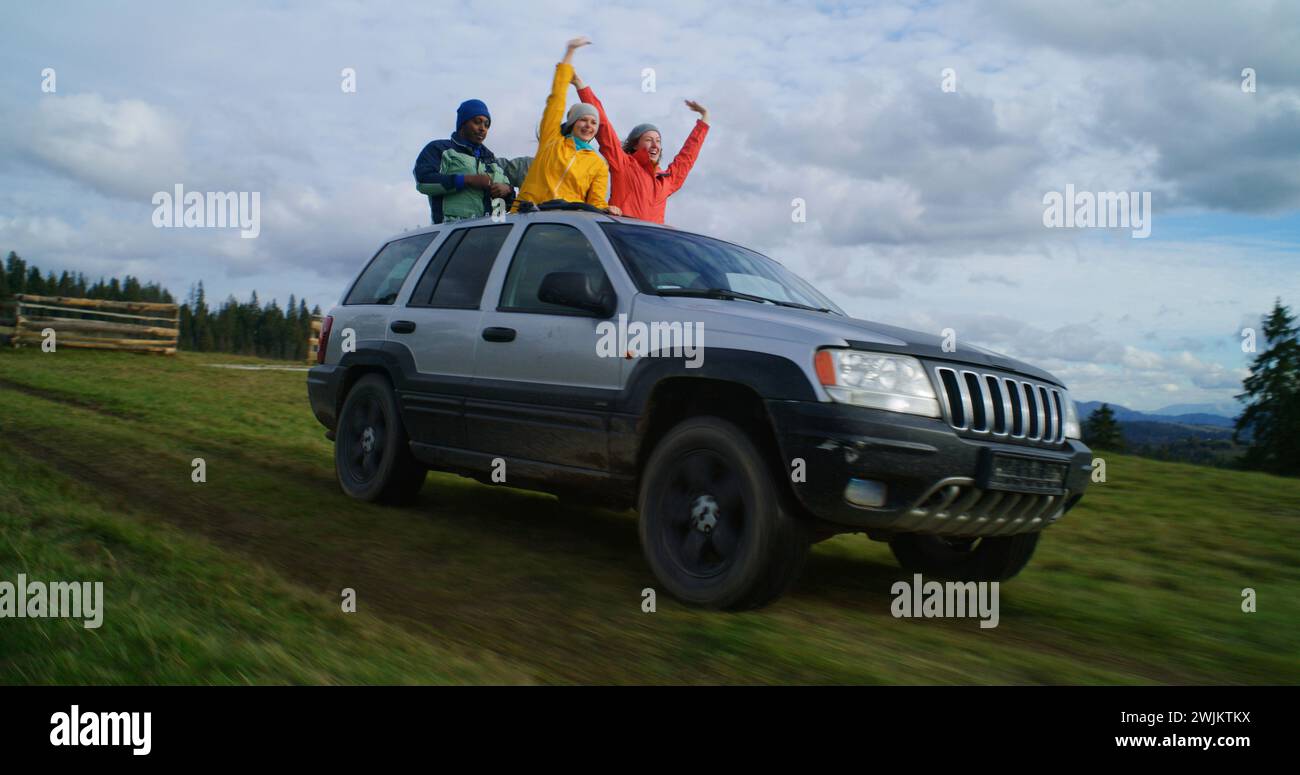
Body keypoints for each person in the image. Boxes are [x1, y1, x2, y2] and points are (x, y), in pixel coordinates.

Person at [572, 74, 709, 223]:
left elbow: (687, 157)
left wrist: (705, 118)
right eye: (649, 140)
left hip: (651, 242)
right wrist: (580, 85)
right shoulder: (623, 164)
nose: (655, 145)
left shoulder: (667, 180)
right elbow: (604, 127)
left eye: (658, 141)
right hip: (620, 236)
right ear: (635, 144)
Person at [514, 38, 615, 212]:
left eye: (594, 123)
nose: (588, 126)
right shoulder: (551, 139)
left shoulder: (598, 164)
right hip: (528, 216)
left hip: (563, 225)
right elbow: (556, 99)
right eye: (583, 119)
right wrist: (570, 51)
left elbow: (596, 202)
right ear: (572, 122)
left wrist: (607, 209)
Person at [413, 99, 531, 223]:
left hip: (492, 234)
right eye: (477, 122)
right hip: (454, 233)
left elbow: (504, 208)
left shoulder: (492, 161)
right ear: (462, 123)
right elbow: (423, 181)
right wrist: (467, 179)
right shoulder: (440, 149)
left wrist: (507, 191)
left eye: (486, 125)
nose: (482, 128)